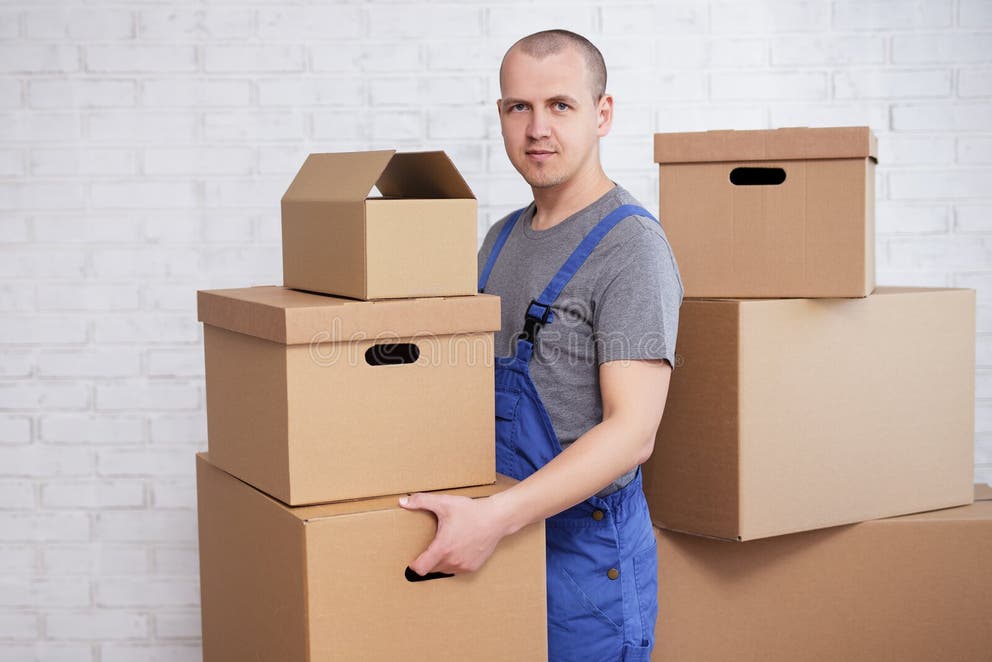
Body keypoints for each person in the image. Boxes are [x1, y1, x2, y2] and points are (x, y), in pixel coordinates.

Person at [400, 29, 683, 661]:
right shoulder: (499, 240)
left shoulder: (631, 249)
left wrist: (497, 517)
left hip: (584, 564)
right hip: (498, 537)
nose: (537, 129)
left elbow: (634, 432)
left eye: (561, 105)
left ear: (602, 114)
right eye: (518, 107)